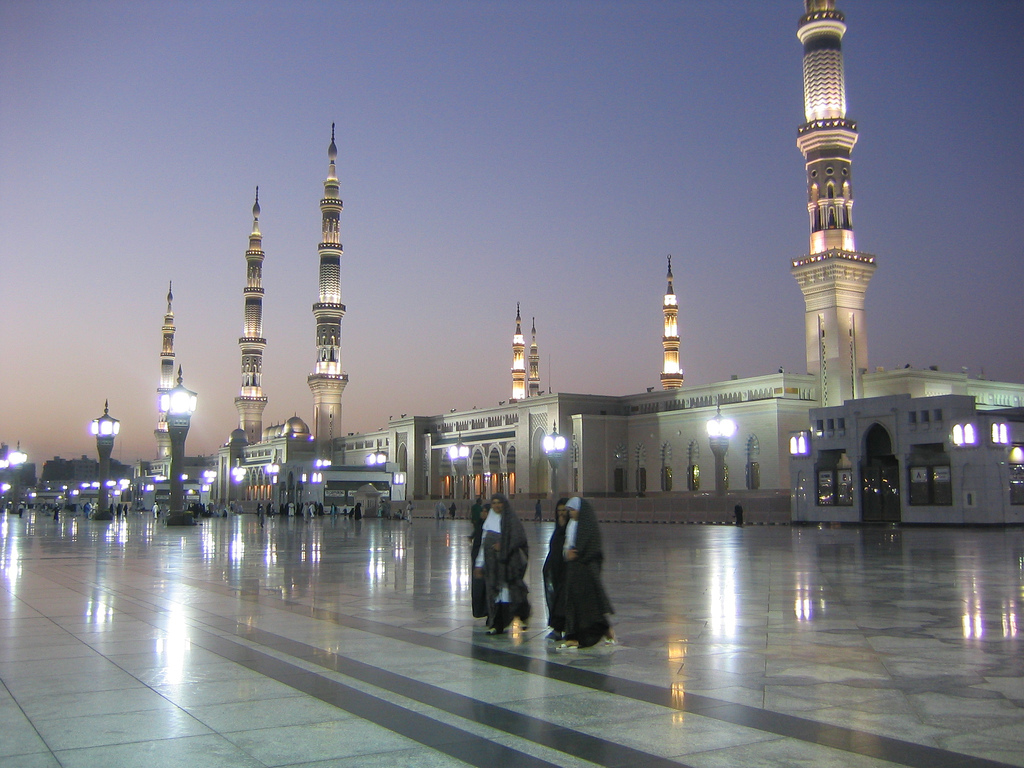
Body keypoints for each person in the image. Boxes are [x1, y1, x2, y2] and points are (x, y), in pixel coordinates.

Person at [558, 497, 615, 649]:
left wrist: (579, 555)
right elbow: (567, 545)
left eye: (573, 510)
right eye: (569, 511)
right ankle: (573, 635)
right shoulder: (572, 525)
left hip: (587, 570)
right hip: (573, 569)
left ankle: (600, 630)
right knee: (573, 602)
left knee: (590, 603)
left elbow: (594, 548)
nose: (571, 514)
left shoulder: (589, 525)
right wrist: (568, 554)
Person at [474, 494, 530, 635]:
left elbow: (519, 539)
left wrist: (503, 546)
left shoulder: (511, 520)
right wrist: (479, 564)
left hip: (508, 564)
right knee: (495, 592)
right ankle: (496, 624)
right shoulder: (489, 521)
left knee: (510, 591)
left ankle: (519, 616)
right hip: (492, 564)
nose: (497, 506)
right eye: (494, 503)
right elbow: (483, 544)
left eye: (499, 503)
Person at [543, 498, 570, 640]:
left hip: (568, 571)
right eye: (559, 511)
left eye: (564, 510)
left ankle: (565, 628)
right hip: (556, 571)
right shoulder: (557, 529)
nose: (562, 514)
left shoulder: (572, 529)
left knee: (564, 601)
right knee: (556, 600)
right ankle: (558, 628)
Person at [469, 497, 487, 618]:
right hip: (478, 560)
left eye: (485, 511)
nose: (482, 513)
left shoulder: (490, 527)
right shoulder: (481, 525)